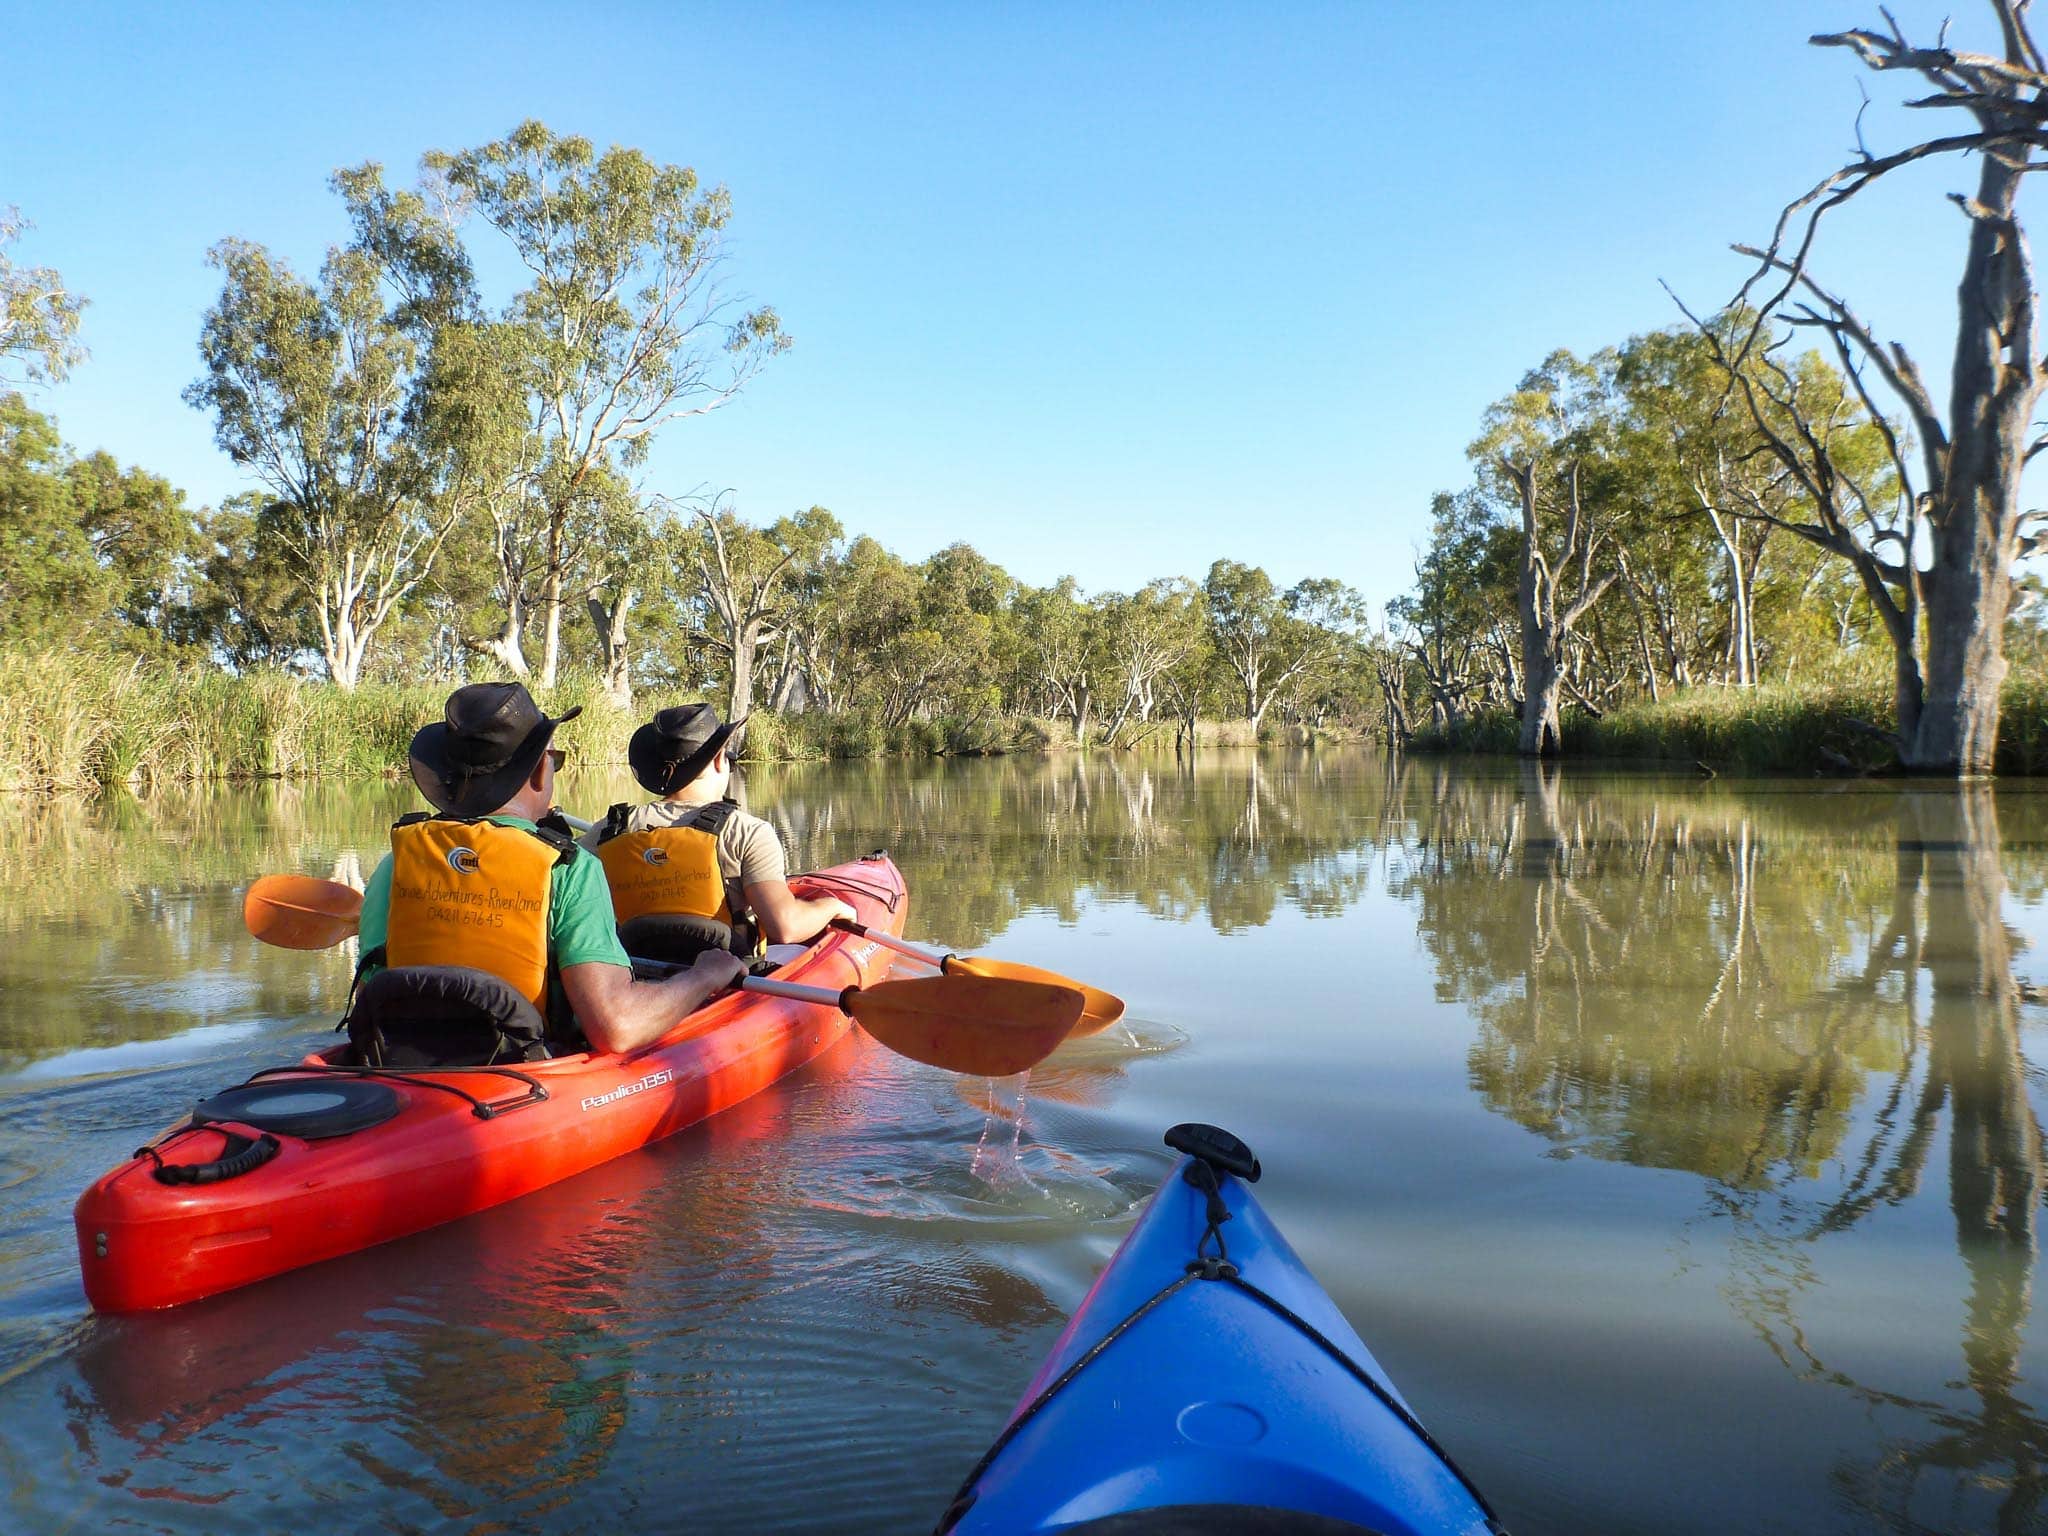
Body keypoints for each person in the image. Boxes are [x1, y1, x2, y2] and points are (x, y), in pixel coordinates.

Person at [352, 682, 747, 1063]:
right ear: (541, 771)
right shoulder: (568, 868)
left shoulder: (395, 863)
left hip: (393, 1064)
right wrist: (704, 976)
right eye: (554, 761)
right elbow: (618, 1028)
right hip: (523, 1074)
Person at [583, 703, 856, 958]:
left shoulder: (607, 832)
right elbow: (786, 927)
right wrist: (832, 906)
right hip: (730, 985)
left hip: (638, 978)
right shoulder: (747, 832)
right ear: (718, 760)